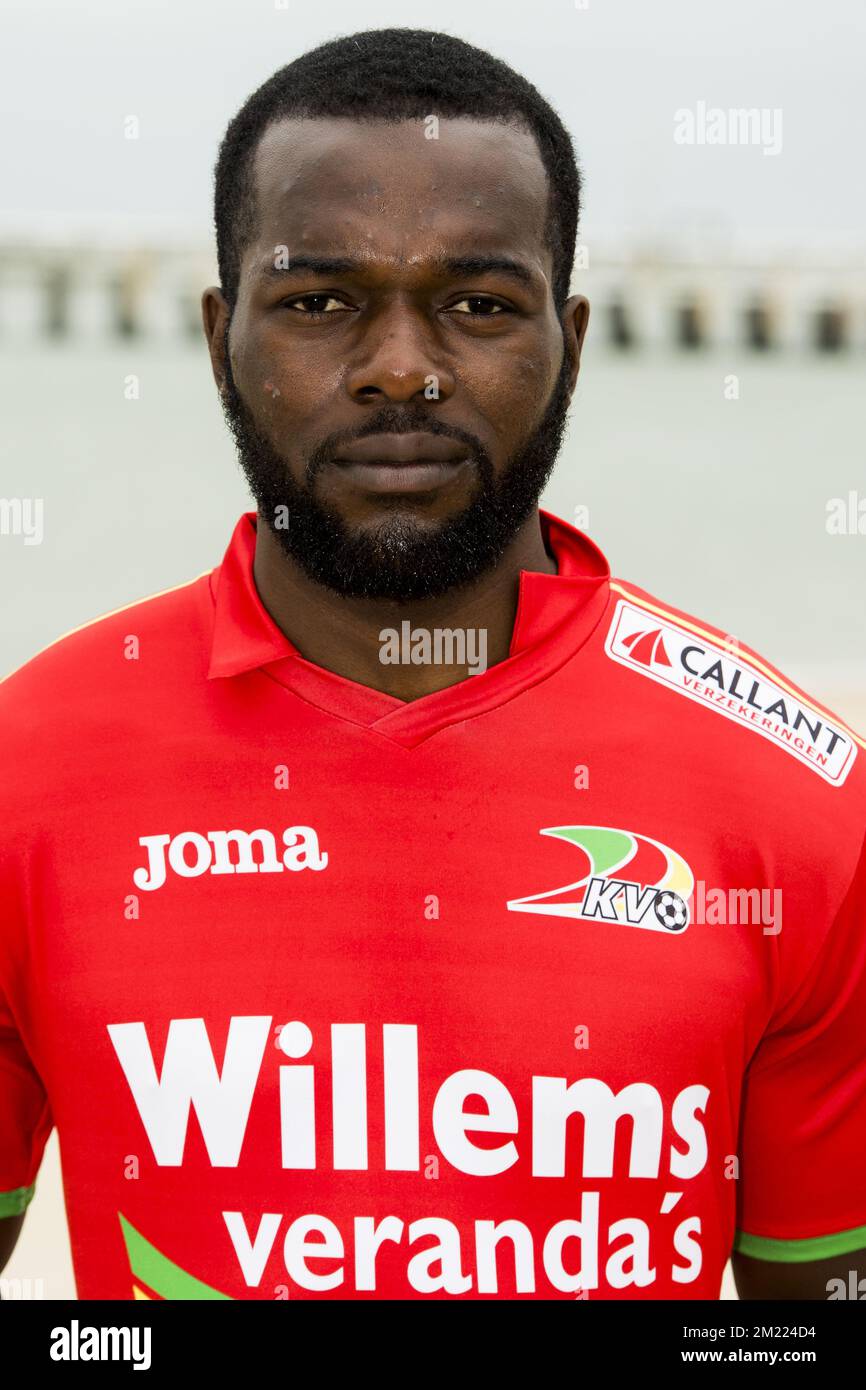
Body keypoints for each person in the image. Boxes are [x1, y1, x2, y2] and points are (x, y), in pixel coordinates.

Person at [1, 27, 864, 1301]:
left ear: (565, 337)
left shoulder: (797, 803)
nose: (400, 368)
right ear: (216, 333)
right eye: (317, 303)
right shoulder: (32, 770)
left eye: (477, 305)